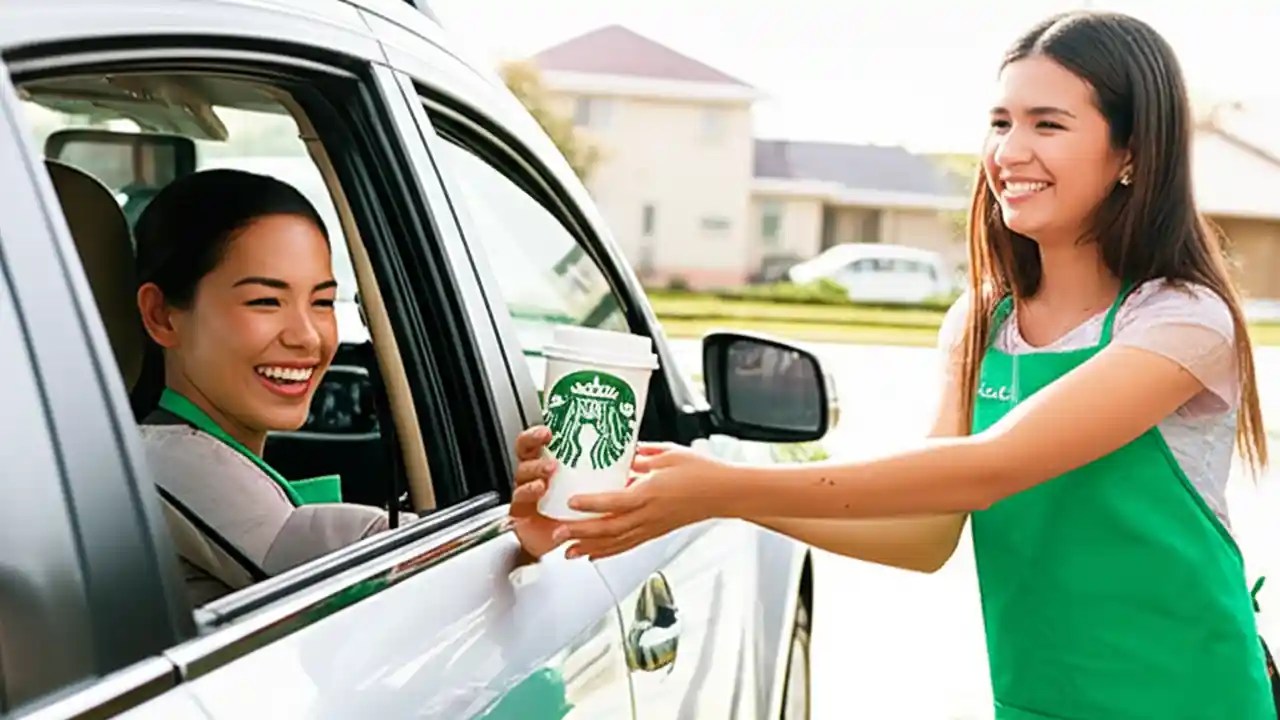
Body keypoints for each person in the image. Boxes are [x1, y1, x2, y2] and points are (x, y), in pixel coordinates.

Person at [515, 11, 1280, 719]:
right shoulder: (982, 324)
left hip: (1191, 696)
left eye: (1049, 124)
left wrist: (727, 483)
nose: (1010, 153)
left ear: (1131, 153)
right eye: (1001, 122)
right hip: (1037, 698)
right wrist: (710, 498)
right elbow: (925, 533)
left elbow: (988, 469)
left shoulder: (1180, 319)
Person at [133, 169, 556, 606]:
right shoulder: (171, 464)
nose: (308, 337)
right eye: (265, 301)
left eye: (321, 302)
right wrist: (512, 530)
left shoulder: (151, 459)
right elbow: (308, 554)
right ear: (162, 315)